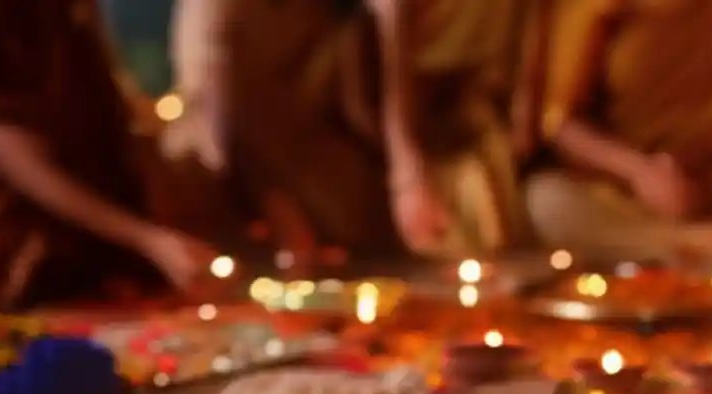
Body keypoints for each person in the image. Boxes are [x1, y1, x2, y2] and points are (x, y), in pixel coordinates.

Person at [173, 0, 525, 268]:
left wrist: (404, 166)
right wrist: (274, 204)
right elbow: (220, 127)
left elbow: (356, 91)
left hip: (320, 149)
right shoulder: (219, 14)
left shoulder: (328, 18)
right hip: (235, 175)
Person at [518, 0, 712, 266]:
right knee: (548, 202)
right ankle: (696, 245)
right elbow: (560, 124)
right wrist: (642, 172)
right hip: (624, 192)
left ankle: (711, 244)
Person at [0, 0, 216, 311]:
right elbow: (25, 165)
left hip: (104, 257)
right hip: (29, 266)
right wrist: (149, 240)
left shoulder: (70, 13)